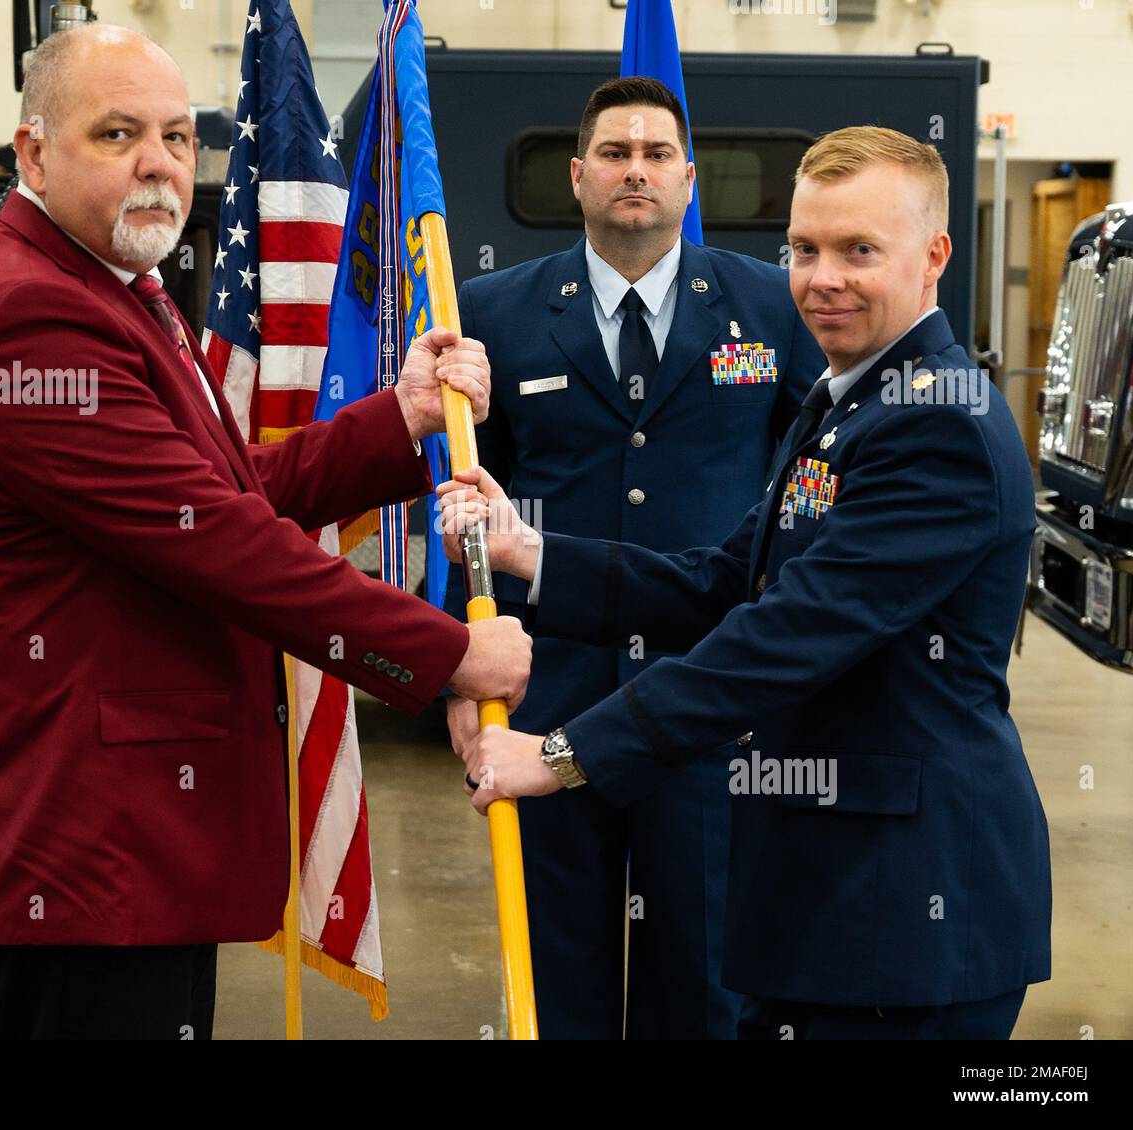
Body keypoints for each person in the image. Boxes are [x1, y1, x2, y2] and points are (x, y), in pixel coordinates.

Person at [0, 25, 530, 1040]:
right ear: (32, 154)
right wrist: (449, 651)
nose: (159, 163)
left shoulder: (115, 289)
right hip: (82, 854)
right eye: (116, 134)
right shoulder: (32, 319)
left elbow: (220, 493)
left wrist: (395, 418)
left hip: (129, 848)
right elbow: (227, 550)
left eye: (178, 136)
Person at [441, 126, 1051, 1040]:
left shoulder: (938, 429)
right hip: (825, 902)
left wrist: (562, 754)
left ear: (934, 258)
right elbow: (729, 581)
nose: (822, 278)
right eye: (804, 249)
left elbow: (782, 639)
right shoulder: (846, 401)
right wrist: (531, 550)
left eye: (858, 252)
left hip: (904, 917)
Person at [442, 76, 822, 1039]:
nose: (636, 171)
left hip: (709, 705)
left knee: (700, 980)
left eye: (657, 155)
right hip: (551, 700)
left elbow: (813, 481)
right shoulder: (496, 311)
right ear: (576, 176)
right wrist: (458, 670)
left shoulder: (772, 308)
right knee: (556, 974)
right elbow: (467, 510)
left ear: (690, 179)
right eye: (615, 153)